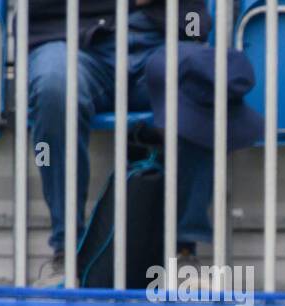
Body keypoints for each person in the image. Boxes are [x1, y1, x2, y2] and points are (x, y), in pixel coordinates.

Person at [27, 0, 215, 286]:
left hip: (164, 39)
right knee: (53, 88)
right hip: (69, 38)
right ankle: (65, 248)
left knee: (199, 78)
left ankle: (184, 251)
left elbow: (195, 19)